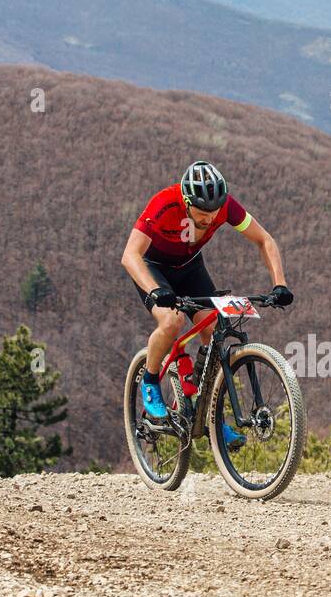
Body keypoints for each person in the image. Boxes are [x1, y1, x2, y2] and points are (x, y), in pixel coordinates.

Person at [121, 161, 292, 446]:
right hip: (154, 269)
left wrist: (280, 284)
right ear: (186, 202)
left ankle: (208, 412)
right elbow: (130, 256)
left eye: (213, 214)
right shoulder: (164, 203)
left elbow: (264, 240)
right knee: (172, 321)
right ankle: (150, 382)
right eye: (202, 214)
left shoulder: (225, 208)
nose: (208, 220)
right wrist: (154, 290)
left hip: (190, 268)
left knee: (213, 329)